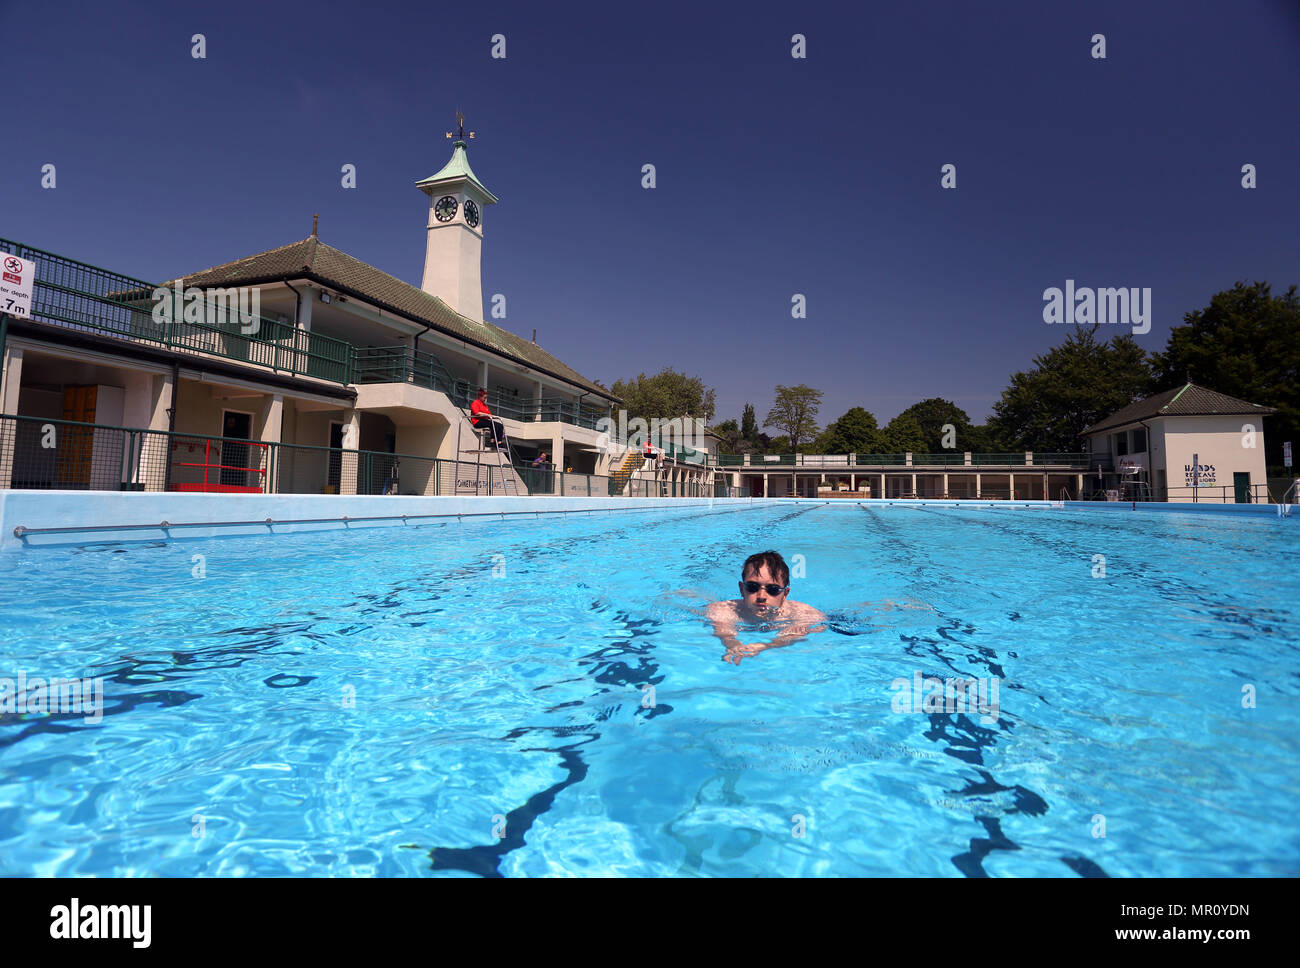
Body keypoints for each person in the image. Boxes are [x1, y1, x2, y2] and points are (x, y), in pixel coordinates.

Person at [707, 550, 826, 665]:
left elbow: (819, 628)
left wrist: (769, 645)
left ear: (785, 594)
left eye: (773, 589)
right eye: (753, 587)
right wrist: (732, 644)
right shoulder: (724, 610)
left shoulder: (803, 614)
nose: (761, 596)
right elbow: (724, 632)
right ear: (741, 589)